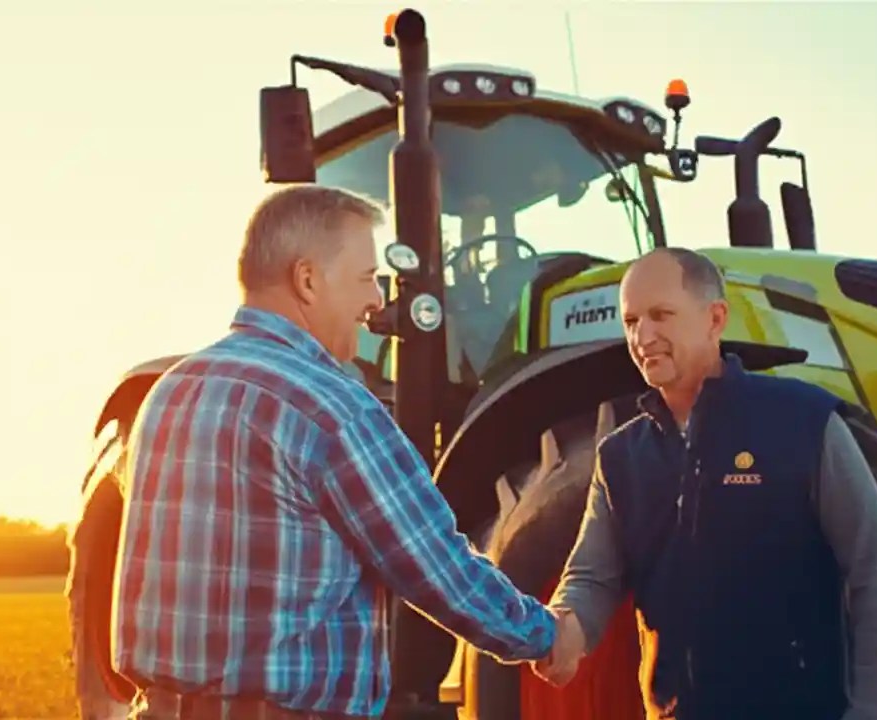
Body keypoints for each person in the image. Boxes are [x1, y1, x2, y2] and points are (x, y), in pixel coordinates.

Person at [111, 185, 580, 720]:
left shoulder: (170, 391)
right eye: (366, 278)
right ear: (307, 279)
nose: (378, 301)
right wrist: (546, 636)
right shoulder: (330, 405)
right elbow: (435, 564)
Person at [533, 247, 877, 720]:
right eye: (631, 321)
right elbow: (592, 575)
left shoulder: (803, 422)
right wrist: (563, 628)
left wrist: (876, 713)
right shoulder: (620, 456)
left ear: (715, 319)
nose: (642, 336)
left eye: (661, 315)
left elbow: (875, 572)